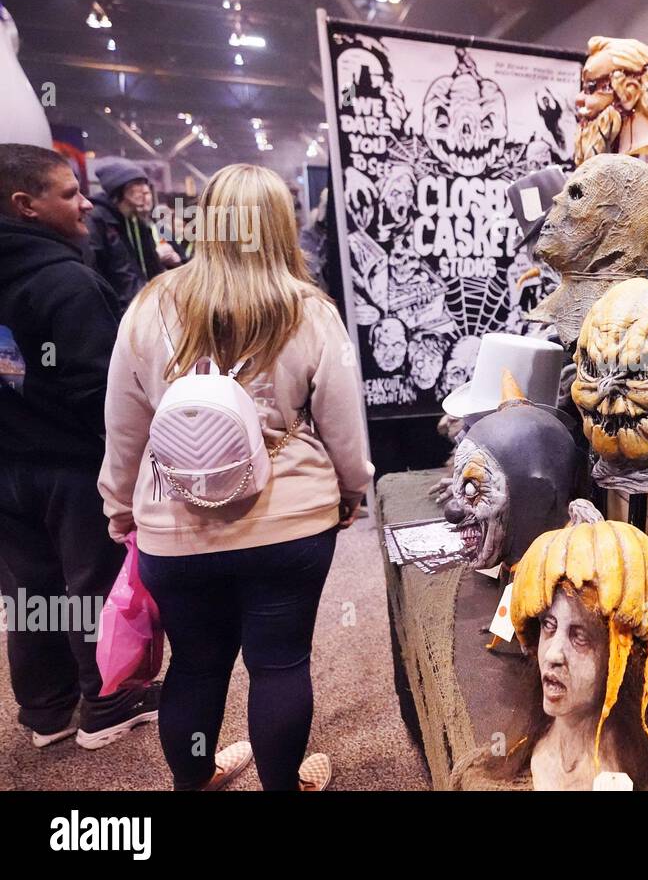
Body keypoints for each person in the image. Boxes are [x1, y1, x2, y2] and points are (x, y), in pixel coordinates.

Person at [98, 163, 373, 791]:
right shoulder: (310, 310)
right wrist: (352, 488)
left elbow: (124, 425)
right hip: (290, 521)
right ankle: (283, 785)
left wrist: (118, 504)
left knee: (195, 666)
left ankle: (194, 781)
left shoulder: (148, 305)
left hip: (174, 526)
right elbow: (343, 423)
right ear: (280, 225)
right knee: (280, 664)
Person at [0, 143, 161, 750]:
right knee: (92, 580)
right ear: (26, 205)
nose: (85, 203)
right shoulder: (66, 282)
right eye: (68, 193)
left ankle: (47, 710)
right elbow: (104, 394)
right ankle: (108, 700)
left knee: (30, 590)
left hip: (7, 467)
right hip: (71, 465)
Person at [86, 159, 165, 310]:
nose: (144, 190)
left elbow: (151, 264)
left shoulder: (136, 221)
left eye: (145, 183)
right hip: (120, 310)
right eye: (136, 183)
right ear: (118, 188)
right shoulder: (98, 220)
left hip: (143, 305)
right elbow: (103, 269)